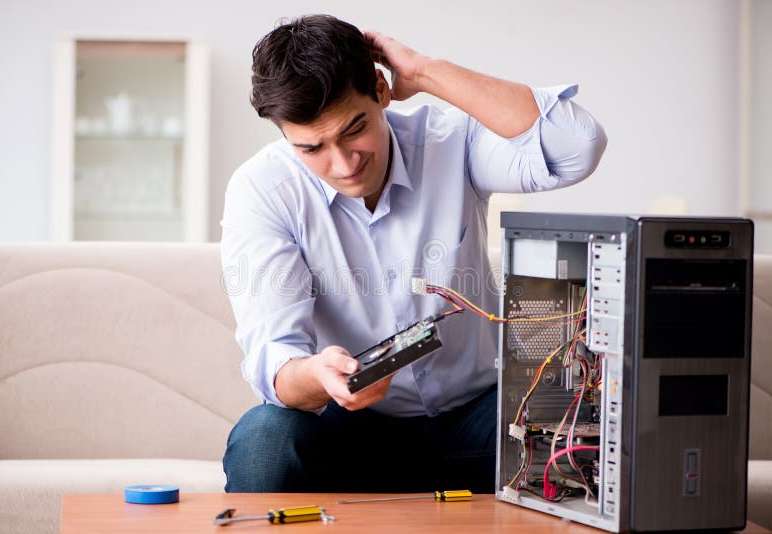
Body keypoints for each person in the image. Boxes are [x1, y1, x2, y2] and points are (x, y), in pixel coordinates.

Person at [220, 14, 607, 493]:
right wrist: (321, 377)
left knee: (592, 430)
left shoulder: (450, 141)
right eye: (312, 147)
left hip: (480, 422)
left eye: (354, 129)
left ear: (381, 90)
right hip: (355, 428)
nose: (343, 164)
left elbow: (579, 147)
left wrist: (424, 71)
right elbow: (274, 362)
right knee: (264, 438)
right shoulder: (263, 190)